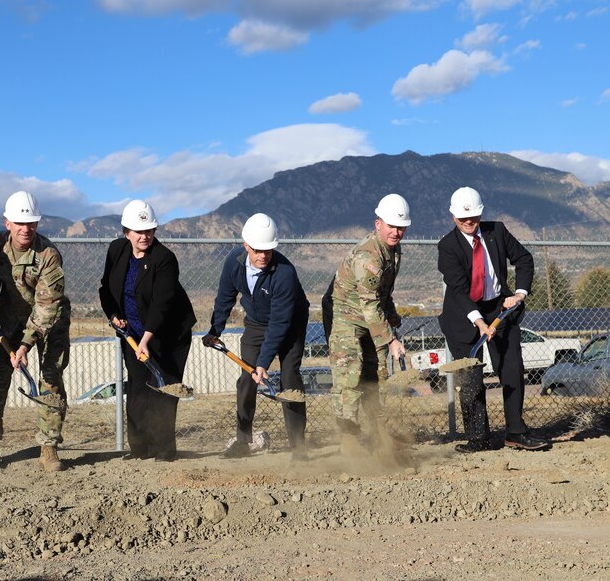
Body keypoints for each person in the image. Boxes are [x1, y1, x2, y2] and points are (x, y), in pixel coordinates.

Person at [0, 191, 71, 472]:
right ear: (7, 222)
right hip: (9, 316)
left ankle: (48, 447)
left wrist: (24, 345)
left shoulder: (48, 255)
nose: (26, 229)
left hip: (50, 320)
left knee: (50, 378)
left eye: (32, 223)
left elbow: (46, 307)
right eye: (20, 223)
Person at [438, 186, 549, 453]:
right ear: (453, 216)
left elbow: (524, 259)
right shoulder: (447, 247)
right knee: (471, 377)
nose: (469, 223)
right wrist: (479, 322)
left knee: (511, 367)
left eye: (474, 217)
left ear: (481, 213)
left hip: (499, 307)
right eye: (463, 219)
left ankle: (516, 431)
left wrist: (519, 294)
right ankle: (479, 438)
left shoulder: (496, 231)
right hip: (463, 313)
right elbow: (459, 290)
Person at [203, 213, 309, 460]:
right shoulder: (233, 263)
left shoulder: (284, 273)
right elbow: (225, 298)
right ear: (246, 245)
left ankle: (298, 448)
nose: (263, 255)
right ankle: (242, 442)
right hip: (256, 323)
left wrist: (263, 363)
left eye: (269, 250)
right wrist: (215, 330)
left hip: (290, 324)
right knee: (246, 379)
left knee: (289, 378)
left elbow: (280, 323)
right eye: (258, 250)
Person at [99, 199, 196, 462]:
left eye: (149, 230)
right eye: (139, 231)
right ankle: (139, 449)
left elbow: (161, 304)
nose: (145, 236)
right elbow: (106, 287)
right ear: (126, 232)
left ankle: (164, 450)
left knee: (162, 389)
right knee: (138, 388)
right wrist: (114, 314)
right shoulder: (117, 250)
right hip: (132, 333)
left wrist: (147, 338)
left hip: (167, 335)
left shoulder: (164, 259)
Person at [327, 194, 410, 445]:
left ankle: (378, 436)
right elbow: (369, 304)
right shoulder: (368, 257)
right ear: (378, 224)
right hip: (348, 318)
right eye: (391, 226)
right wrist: (392, 340)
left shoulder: (392, 251)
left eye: (401, 227)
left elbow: (382, 292)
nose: (396, 232)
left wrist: (392, 313)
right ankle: (349, 441)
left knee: (377, 377)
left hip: (373, 317)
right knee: (349, 377)